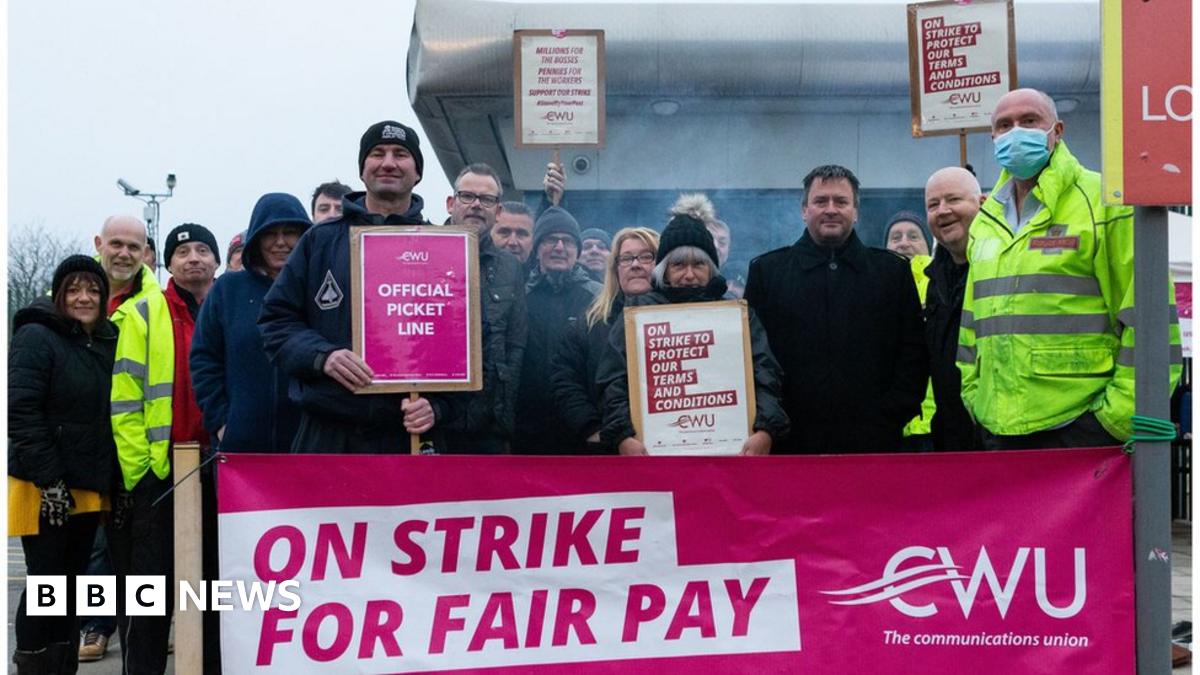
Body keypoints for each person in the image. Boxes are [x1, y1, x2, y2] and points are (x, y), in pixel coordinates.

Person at [958, 88, 1183, 449]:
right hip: (998, 427)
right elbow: (972, 322)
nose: (1016, 132)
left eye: (1029, 121)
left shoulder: (1106, 202)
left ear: (1057, 130)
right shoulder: (987, 219)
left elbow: (1151, 317)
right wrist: (973, 394)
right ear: (993, 137)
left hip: (1080, 430)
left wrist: (1114, 419)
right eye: (1005, 125)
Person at [260, 120, 437, 453]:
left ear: (417, 172)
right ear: (362, 169)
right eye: (377, 153)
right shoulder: (320, 241)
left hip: (405, 435)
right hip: (327, 433)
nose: (388, 162)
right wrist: (322, 356)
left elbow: (464, 344)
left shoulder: (442, 247)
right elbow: (275, 321)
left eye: (400, 154)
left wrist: (438, 409)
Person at [190, 195, 310, 673]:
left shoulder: (320, 288)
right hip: (242, 460)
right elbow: (204, 359)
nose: (281, 242)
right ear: (255, 239)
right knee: (240, 569)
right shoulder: (227, 292)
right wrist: (223, 419)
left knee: (306, 567)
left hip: (309, 454)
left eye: (291, 233)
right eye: (271, 234)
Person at [745, 165, 927, 454]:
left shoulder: (892, 273)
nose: (831, 209)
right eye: (821, 201)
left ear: (856, 210)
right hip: (790, 444)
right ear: (804, 209)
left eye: (841, 202)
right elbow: (753, 359)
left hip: (873, 444)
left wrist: (890, 416)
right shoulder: (767, 273)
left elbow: (913, 353)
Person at [598, 210, 789, 455]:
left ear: (711, 269)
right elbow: (612, 381)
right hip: (652, 456)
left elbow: (766, 375)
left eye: (698, 264)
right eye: (678, 264)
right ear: (664, 270)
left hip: (729, 455)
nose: (689, 274)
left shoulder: (737, 316)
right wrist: (623, 436)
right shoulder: (636, 315)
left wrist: (766, 430)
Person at [9, 256, 118, 674]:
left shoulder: (104, 341)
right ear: (59, 295)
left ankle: (62, 665)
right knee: (46, 586)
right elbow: (20, 411)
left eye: (92, 290)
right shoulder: (37, 335)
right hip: (45, 488)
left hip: (87, 486)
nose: (84, 297)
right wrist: (50, 480)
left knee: (72, 589)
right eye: (73, 289)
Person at [96, 215, 176, 675]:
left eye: (135, 246)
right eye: (116, 244)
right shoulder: (70, 295)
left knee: (137, 582)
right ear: (99, 244)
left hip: (133, 466)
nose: (124, 253)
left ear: (148, 253)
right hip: (83, 460)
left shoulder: (153, 306)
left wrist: (141, 469)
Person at [437, 163, 528, 454]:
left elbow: (515, 346)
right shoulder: (421, 251)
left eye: (486, 200)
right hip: (433, 421)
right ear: (451, 203)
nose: (476, 205)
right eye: (467, 196)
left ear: (497, 211)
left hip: (489, 428)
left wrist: (504, 420)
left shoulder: (510, 267)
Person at [551, 227, 659, 453]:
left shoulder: (685, 319)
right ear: (615, 268)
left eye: (647, 256)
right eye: (627, 258)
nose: (636, 264)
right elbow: (565, 381)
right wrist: (594, 430)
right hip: (607, 452)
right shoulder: (589, 324)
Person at [512, 206, 602, 454]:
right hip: (525, 434)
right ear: (537, 248)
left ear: (577, 251)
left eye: (568, 241)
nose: (559, 247)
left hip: (585, 434)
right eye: (551, 240)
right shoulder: (518, 296)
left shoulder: (598, 297)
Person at [923, 167, 985, 450]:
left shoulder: (1000, 267)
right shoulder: (932, 278)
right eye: (933, 205)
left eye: (953, 200)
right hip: (949, 438)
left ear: (982, 203)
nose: (942, 211)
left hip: (994, 436)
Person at [162, 223, 220, 448]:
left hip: (228, 446)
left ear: (216, 262)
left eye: (202, 250)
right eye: (183, 252)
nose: (193, 258)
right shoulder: (147, 312)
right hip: (167, 453)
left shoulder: (236, 308)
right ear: (168, 264)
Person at [884, 210, 937, 450]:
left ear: (928, 244)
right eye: (895, 237)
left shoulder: (942, 286)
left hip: (935, 423)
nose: (904, 242)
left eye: (913, 236)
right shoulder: (876, 288)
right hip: (888, 423)